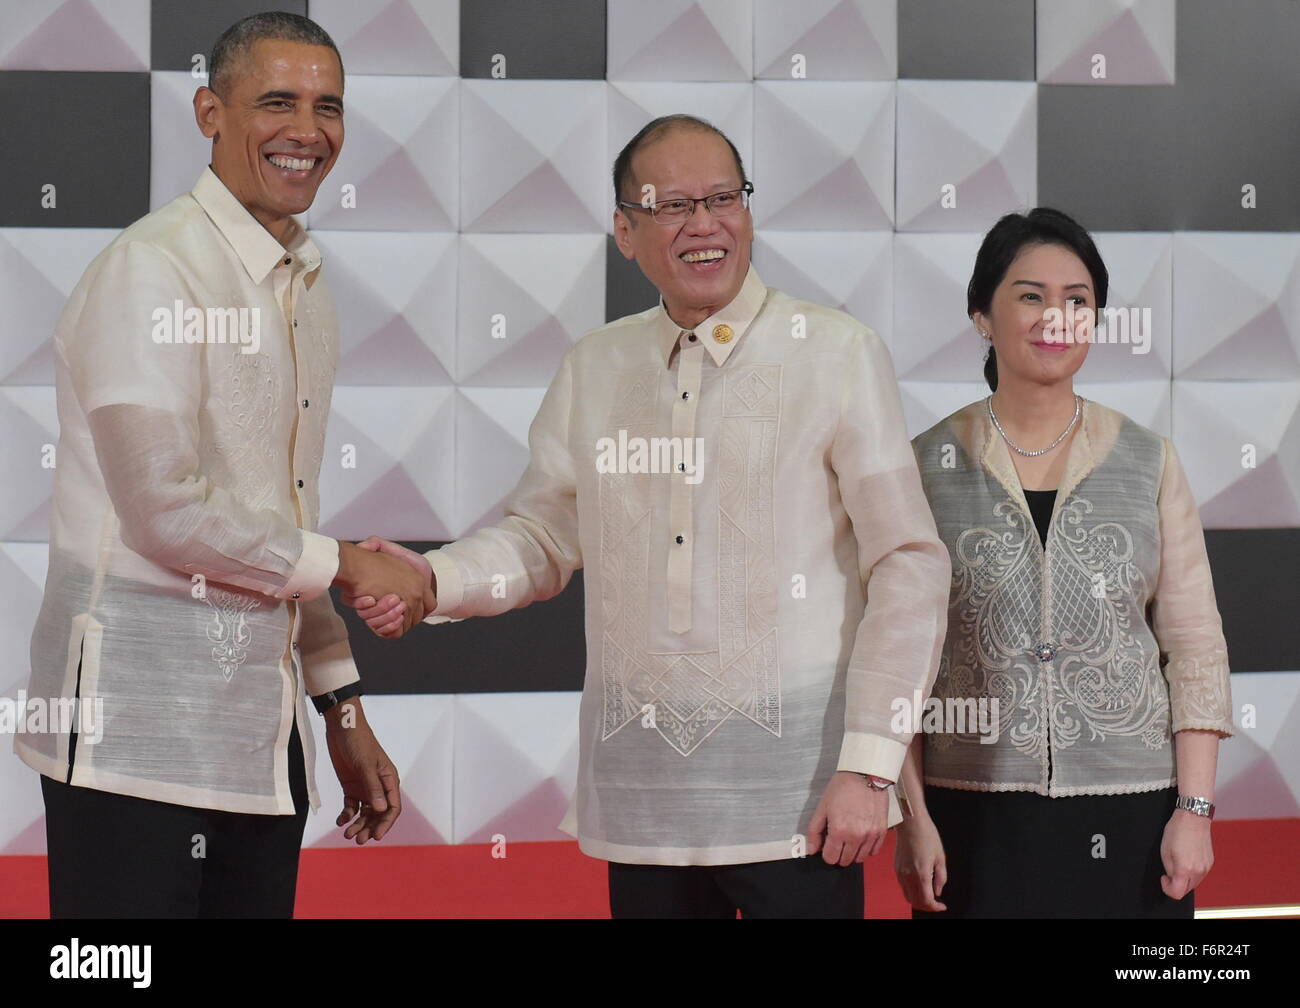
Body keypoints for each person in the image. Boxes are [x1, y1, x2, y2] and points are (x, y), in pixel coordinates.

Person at [347, 114, 950, 919]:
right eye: (672, 206)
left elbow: (909, 563)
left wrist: (871, 767)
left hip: (800, 802)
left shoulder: (837, 353)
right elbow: (543, 537)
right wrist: (437, 577)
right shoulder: (594, 368)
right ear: (625, 231)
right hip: (641, 803)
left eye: (723, 198)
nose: (704, 224)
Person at [17, 12, 426, 919]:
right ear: (209, 111)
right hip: (133, 742)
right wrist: (351, 564)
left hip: (259, 748)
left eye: (329, 107)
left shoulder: (305, 292)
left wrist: (340, 709)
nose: (307, 130)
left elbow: (281, 521)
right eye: (275, 101)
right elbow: (164, 511)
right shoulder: (149, 271)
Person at [895, 207, 1233, 918]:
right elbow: (894, 657)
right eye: (1030, 296)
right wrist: (914, 819)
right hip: (974, 816)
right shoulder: (925, 465)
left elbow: (1195, 645)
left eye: (1077, 301)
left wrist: (1195, 808)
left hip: (1136, 814)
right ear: (981, 316)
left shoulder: (1149, 459)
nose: (1057, 316)